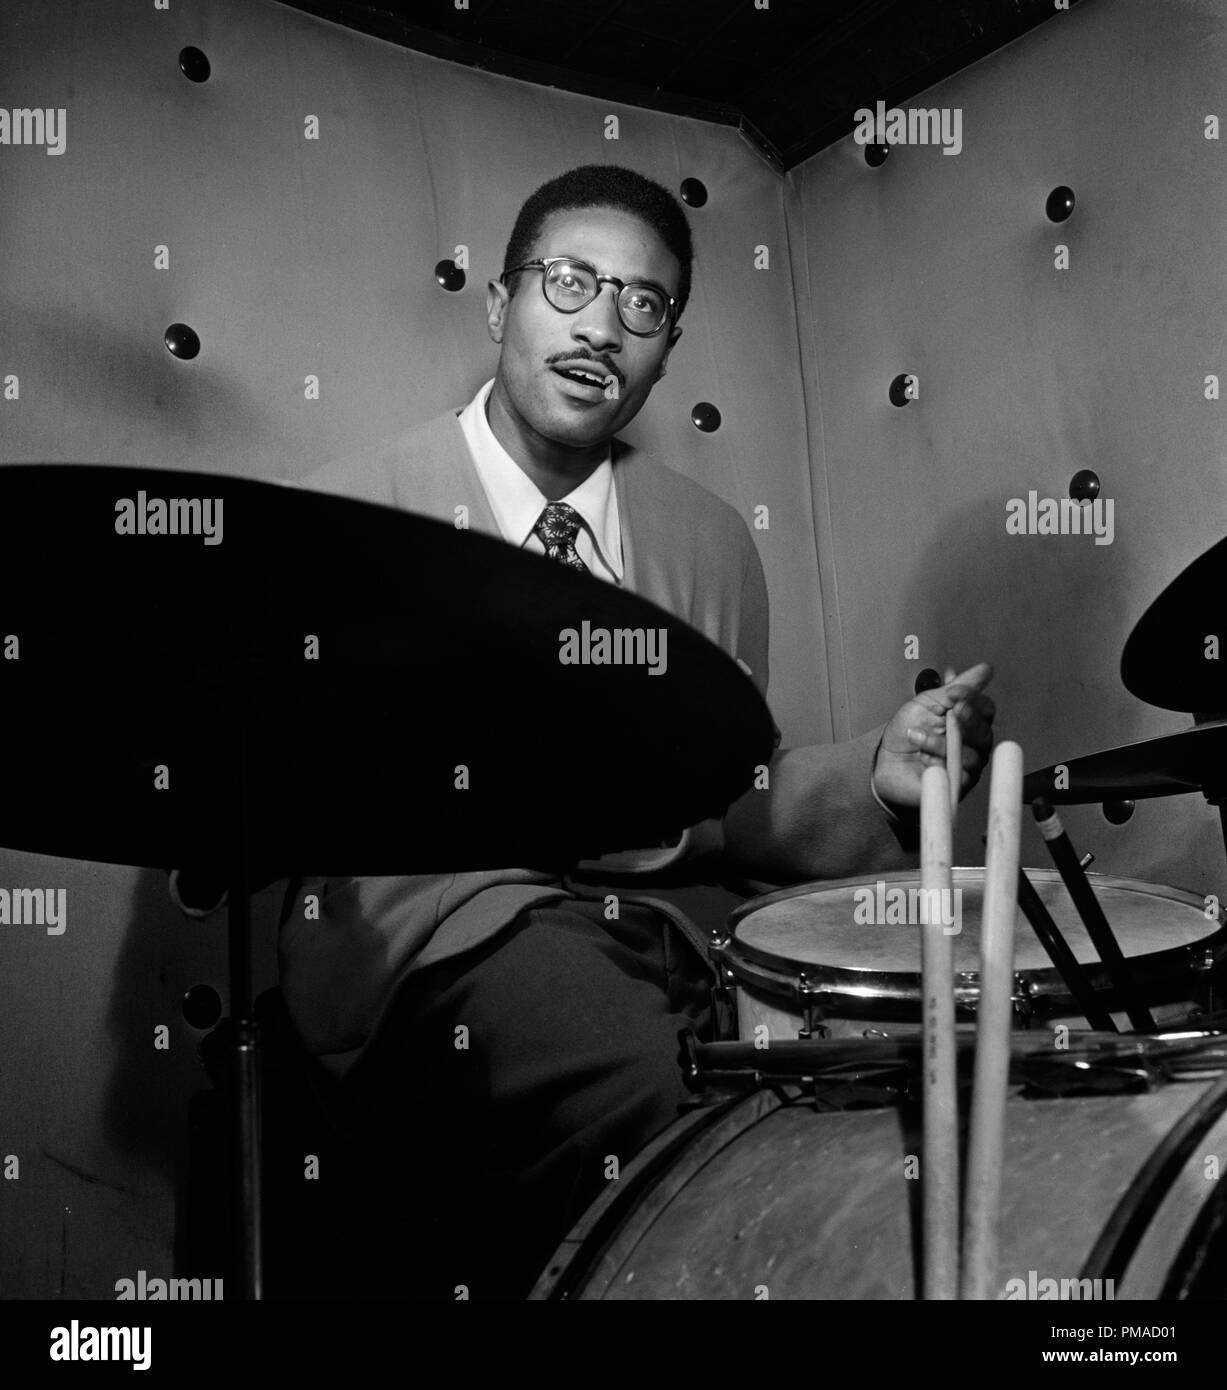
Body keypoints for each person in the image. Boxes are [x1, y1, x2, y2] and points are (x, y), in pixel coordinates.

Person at [173, 164, 994, 1299]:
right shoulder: (349, 519)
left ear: (666, 347)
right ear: (500, 306)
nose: (601, 326)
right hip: (434, 939)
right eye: (570, 283)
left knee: (862, 1088)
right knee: (666, 1113)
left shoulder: (709, 543)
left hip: (661, 935)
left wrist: (877, 775)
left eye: (643, 305)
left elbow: (725, 798)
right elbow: (249, 795)